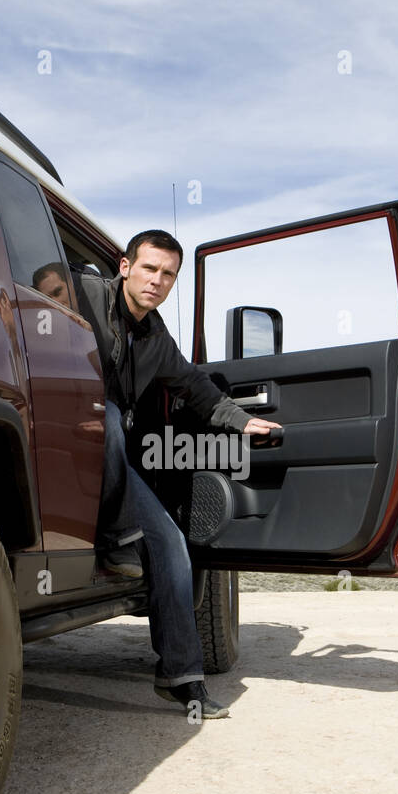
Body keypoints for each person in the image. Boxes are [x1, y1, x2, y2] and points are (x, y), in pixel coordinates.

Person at [74, 229, 281, 720]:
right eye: (149, 269)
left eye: (168, 275)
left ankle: (183, 681)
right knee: (103, 415)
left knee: (171, 547)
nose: (158, 281)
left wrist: (241, 419)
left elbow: (194, 387)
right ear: (125, 267)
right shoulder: (83, 292)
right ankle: (118, 539)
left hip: (112, 456)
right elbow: (40, 284)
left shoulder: (155, 337)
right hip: (68, 432)